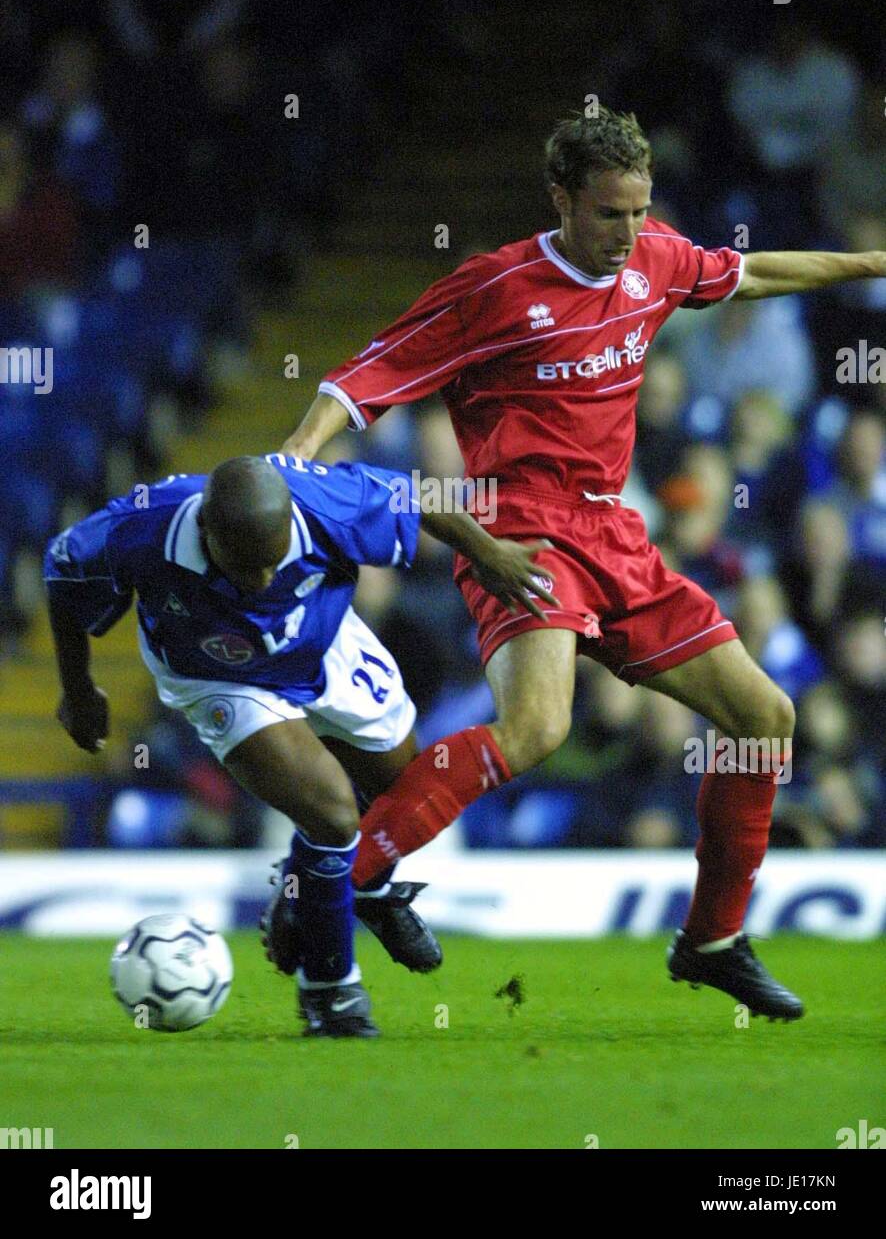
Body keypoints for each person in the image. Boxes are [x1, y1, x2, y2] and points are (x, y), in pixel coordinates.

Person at [282, 107, 886, 1020]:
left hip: (618, 537)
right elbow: (367, 373)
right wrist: (297, 454)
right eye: (609, 214)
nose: (629, 235)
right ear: (562, 200)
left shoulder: (655, 260)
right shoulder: (494, 285)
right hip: (521, 533)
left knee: (765, 713)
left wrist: (873, 264)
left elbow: (753, 270)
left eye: (640, 213)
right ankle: (340, 885)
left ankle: (713, 939)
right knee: (537, 730)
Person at [45, 454, 554, 1038]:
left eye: (273, 560)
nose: (262, 579)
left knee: (404, 786)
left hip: (324, 637)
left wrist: (489, 552)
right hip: (218, 675)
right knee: (334, 815)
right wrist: (78, 688)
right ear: (207, 533)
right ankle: (330, 990)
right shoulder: (143, 526)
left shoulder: (324, 499)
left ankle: (317, 890)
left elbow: (417, 496)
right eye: (246, 566)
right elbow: (63, 568)